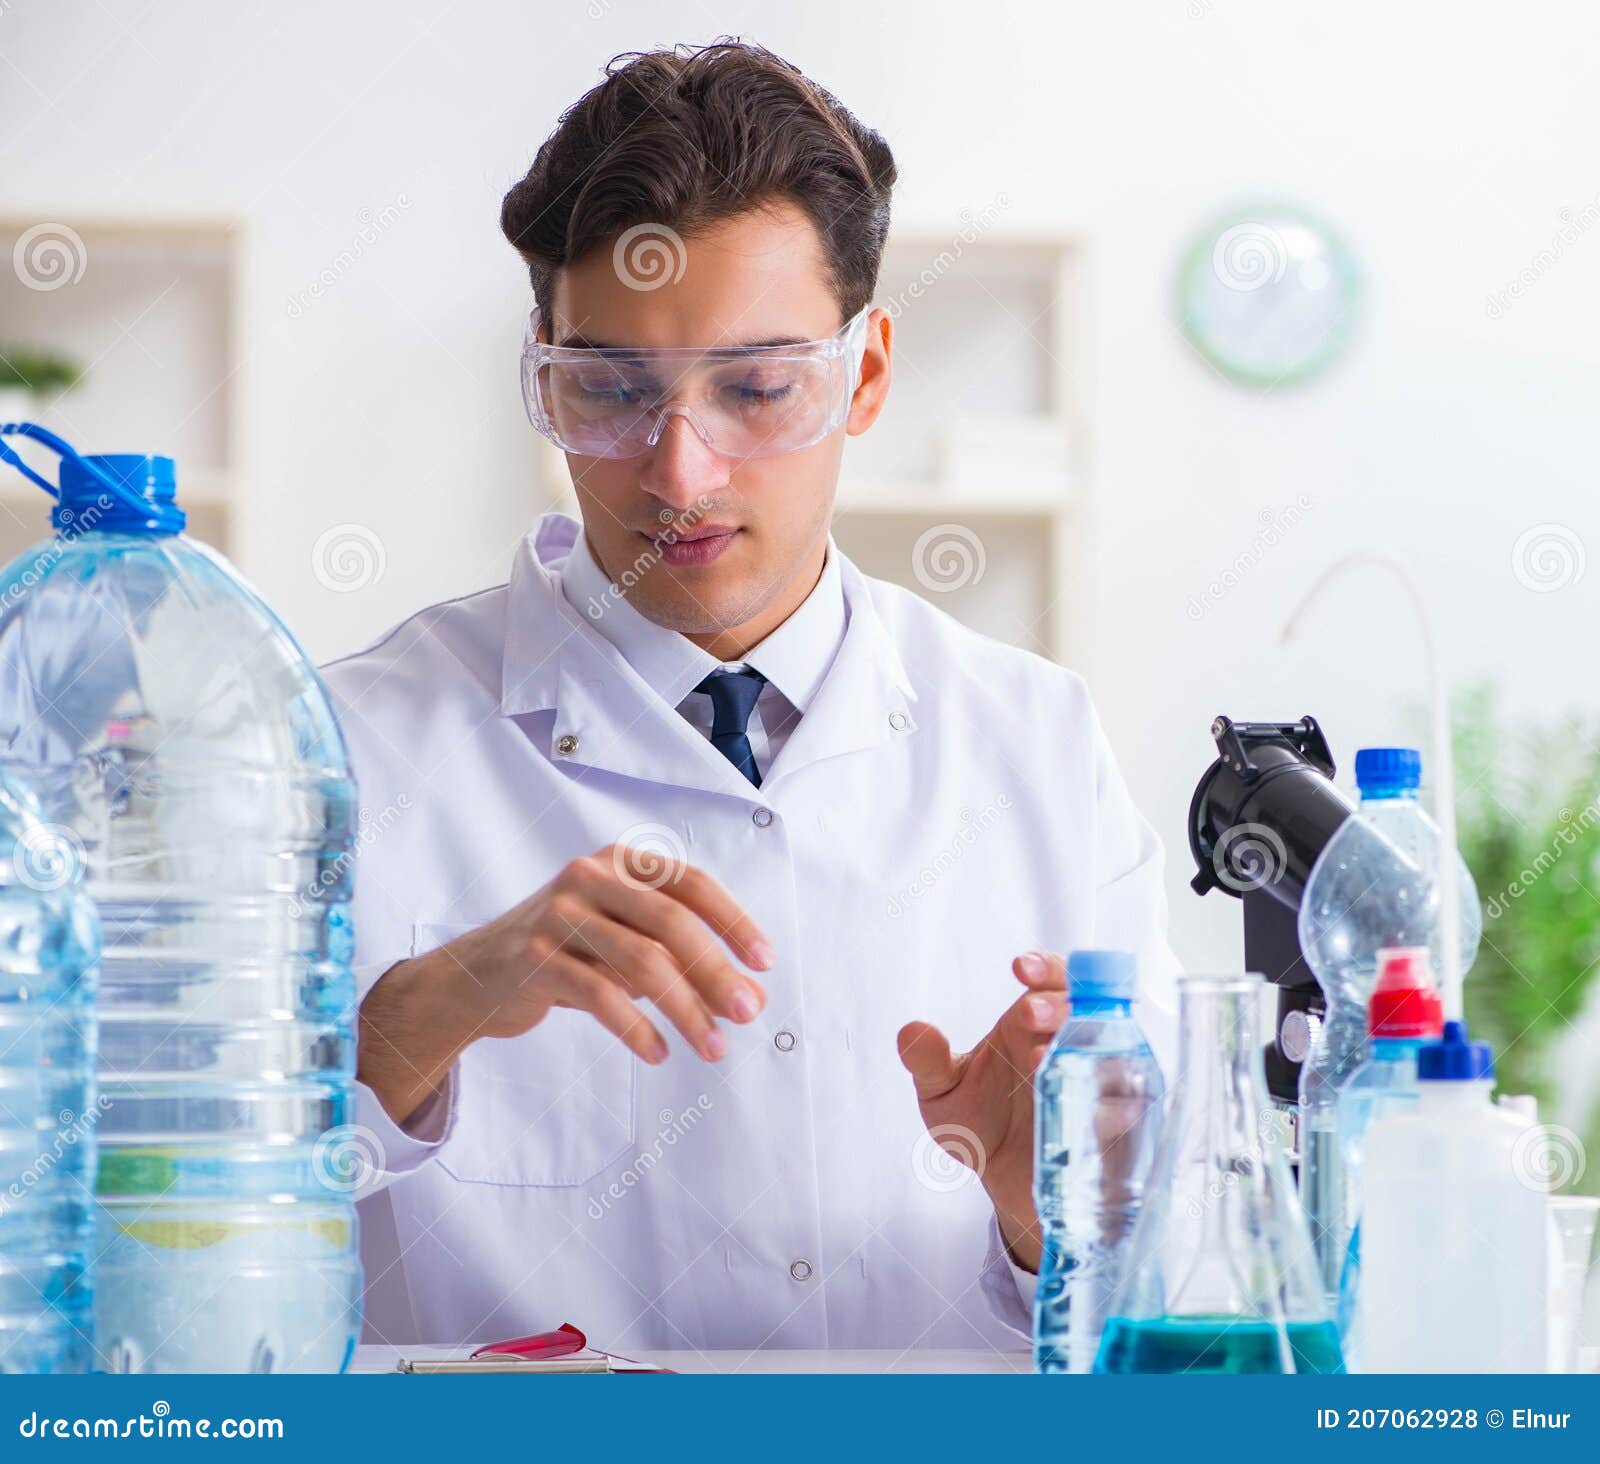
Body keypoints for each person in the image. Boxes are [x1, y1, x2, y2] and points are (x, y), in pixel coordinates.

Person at [327, 39, 1175, 1353]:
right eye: (607, 391)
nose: (680, 470)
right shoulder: (351, 749)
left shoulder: (1036, 742)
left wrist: (1045, 1221)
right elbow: (169, 1266)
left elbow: (1172, 1307)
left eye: (759, 389)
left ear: (867, 377)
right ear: (541, 378)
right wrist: (403, 1029)